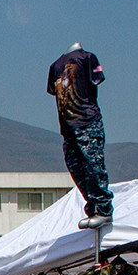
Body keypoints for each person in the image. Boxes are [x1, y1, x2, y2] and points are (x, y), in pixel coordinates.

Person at [47, 42, 112, 225]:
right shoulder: (55, 67)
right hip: (68, 128)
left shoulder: (88, 57)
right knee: (76, 168)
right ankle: (92, 207)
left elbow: (97, 78)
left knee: (93, 164)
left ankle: (104, 209)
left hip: (87, 121)